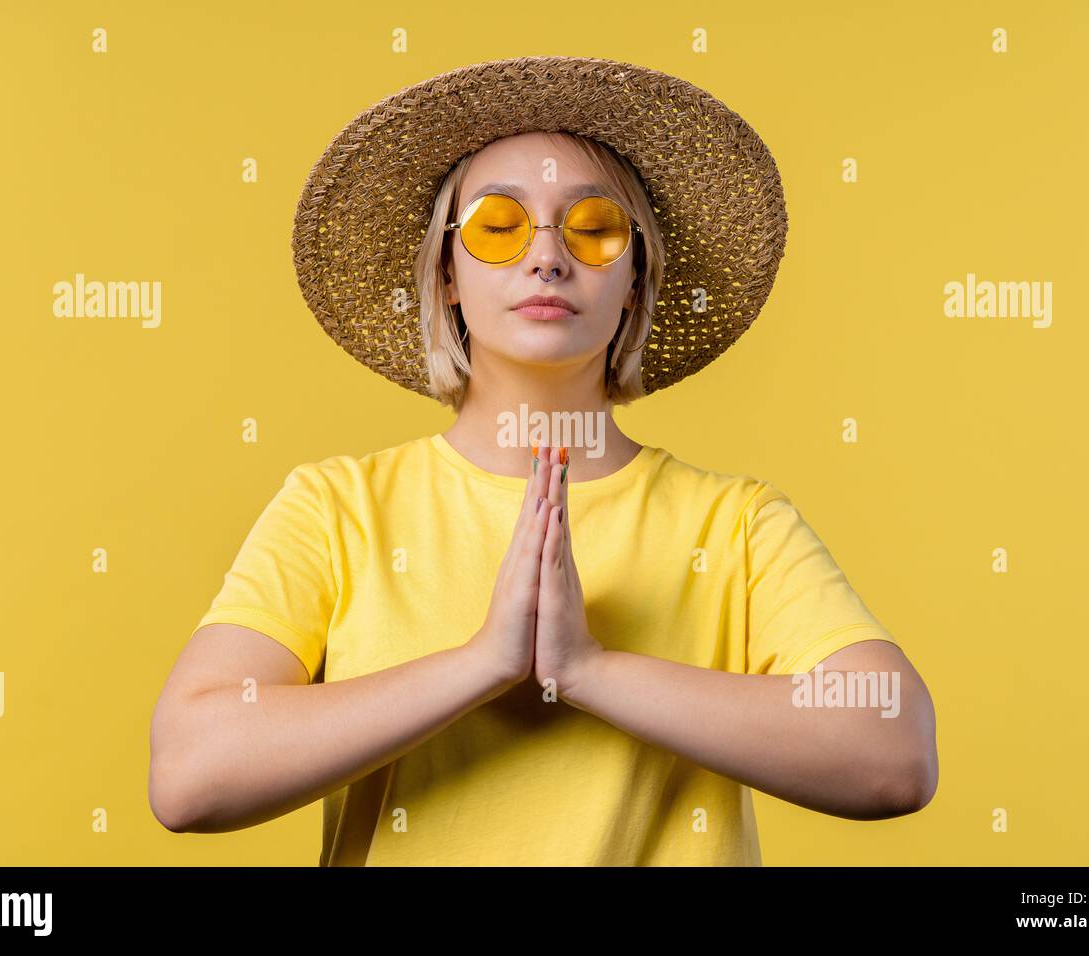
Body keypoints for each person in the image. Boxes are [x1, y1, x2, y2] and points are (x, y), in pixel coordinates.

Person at [148, 56, 937, 865]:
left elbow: (895, 752)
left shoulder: (735, 525)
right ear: (446, 275)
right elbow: (189, 774)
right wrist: (481, 665)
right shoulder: (337, 508)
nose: (547, 257)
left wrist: (589, 669)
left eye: (594, 228)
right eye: (499, 225)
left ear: (635, 279)